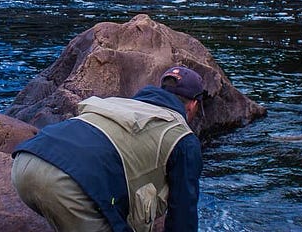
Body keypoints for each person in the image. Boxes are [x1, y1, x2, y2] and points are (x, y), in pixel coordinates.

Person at [11, 65, 206, 232]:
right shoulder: (183, 138)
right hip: (69, 183)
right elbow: (183, 214)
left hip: (25, 162)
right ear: (193, 104)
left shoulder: (120, 102)